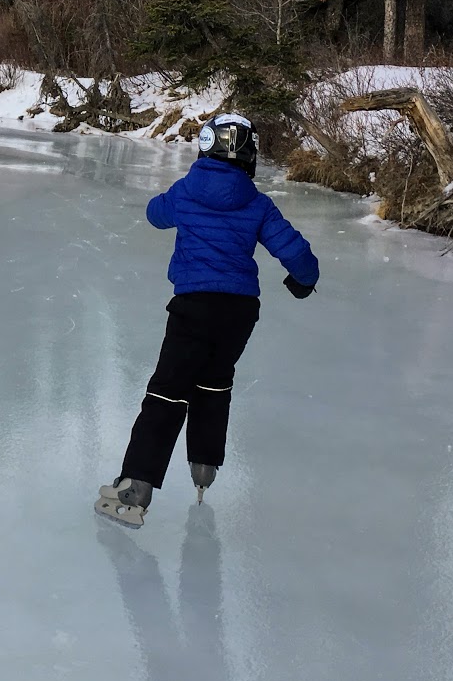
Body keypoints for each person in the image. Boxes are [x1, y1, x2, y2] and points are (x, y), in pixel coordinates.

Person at [96, 113, 319, 528]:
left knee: (167, 392)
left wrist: (167, 205)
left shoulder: (186, 192)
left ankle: (137, 485)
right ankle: (204, 468)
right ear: (249, 154)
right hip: (238, 313)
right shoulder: (256, 203)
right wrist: (304, 280)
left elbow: (154, 214)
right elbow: (295, 251)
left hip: (193, 306)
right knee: (214, 384)